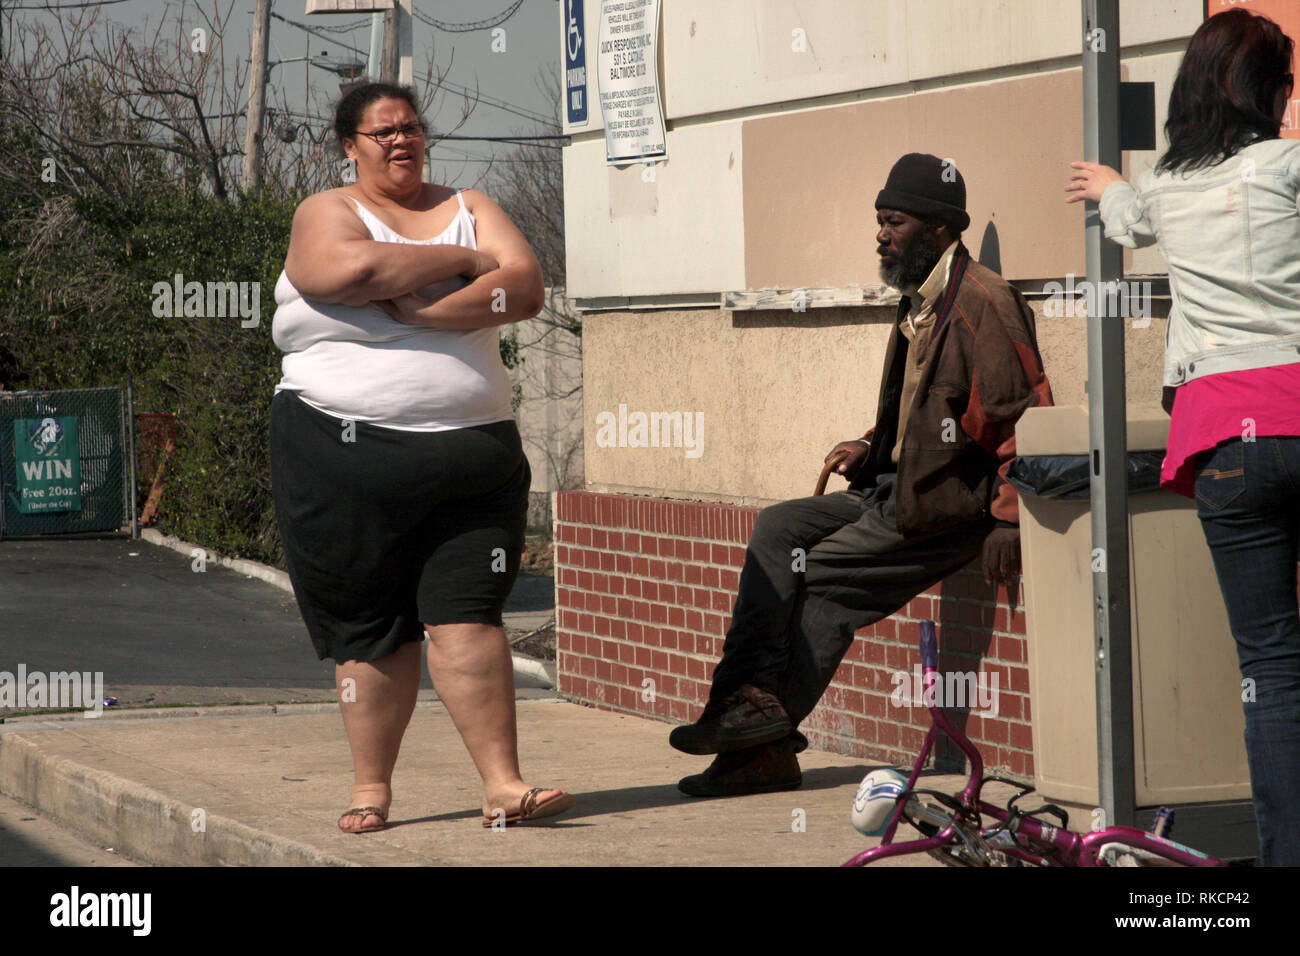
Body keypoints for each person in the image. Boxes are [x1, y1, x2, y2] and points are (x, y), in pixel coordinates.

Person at [668, 153, 1054, 795]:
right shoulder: (922, 297)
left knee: (817, 576)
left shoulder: (983, 302)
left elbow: (1024, 419)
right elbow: (930, 408)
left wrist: (1008, 519)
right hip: (891, 487)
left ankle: (761, 747)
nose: (880, 234)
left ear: (938, 229)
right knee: (777, 531)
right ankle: (738, 709)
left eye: (893, 221)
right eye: (879, 220)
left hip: (945, 509)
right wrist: (873, 442)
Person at [270, 82, 575, 833]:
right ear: (350, 145)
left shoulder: (473, 199)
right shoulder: (327, 212)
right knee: (374, 628)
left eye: (410, 128)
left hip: (475, 459)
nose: (400, 141)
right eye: (382, 133)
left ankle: (505, 786)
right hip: (342, 451)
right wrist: (463, 261)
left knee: (468, 616)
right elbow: (346, 274)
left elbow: (524, 288)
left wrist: (426, 309)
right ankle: (371, 789)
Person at [1067, 8, 1299, 866]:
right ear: (1267, 89)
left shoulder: (1165, 186)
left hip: (1227, 446)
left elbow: (1129, 219)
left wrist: (1105, 185)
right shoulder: (1289, 164)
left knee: (1271, 666)